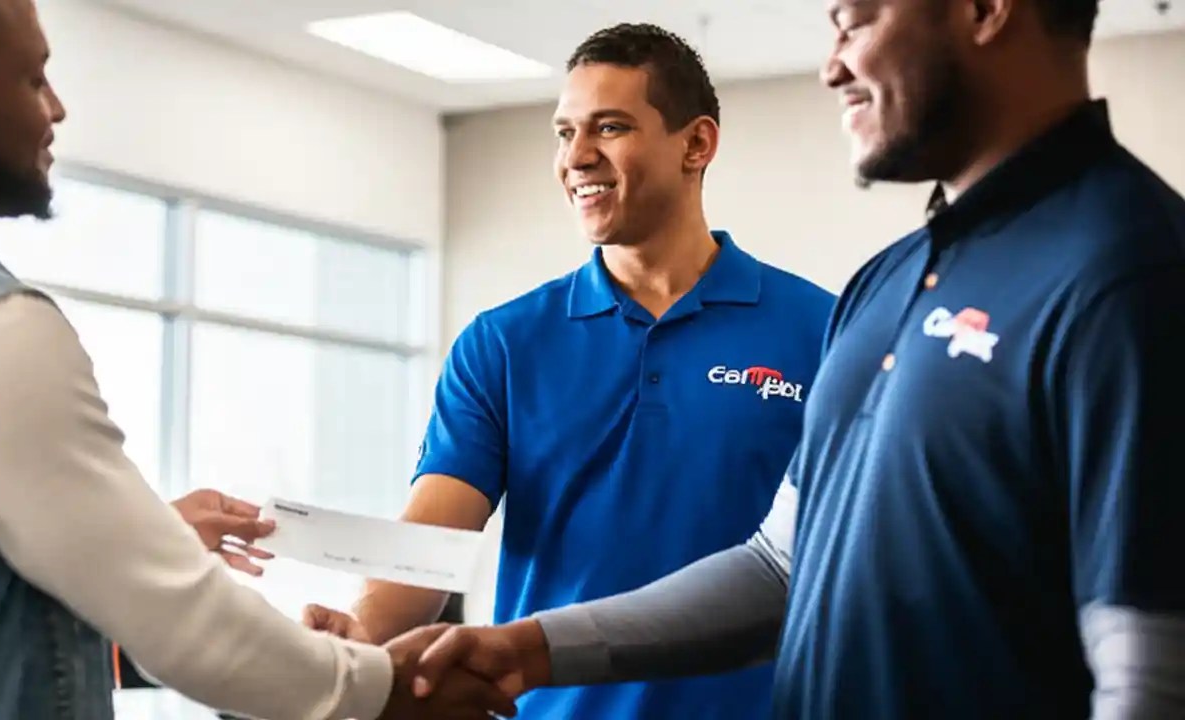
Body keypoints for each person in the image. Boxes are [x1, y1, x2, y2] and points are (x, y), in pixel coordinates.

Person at [398, 0, 1185, 718]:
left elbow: (1149, 673)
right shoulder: (887, 285)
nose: (831, 66)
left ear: (984, 11)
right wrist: (524, 650)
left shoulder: (1130, 269)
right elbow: (780, 566)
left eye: (857, 22)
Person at [0, 1, 517, 718]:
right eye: (33, 80)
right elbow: (183, 622)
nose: (58, 108)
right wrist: (377, 686)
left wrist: (143, 532)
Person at [304, 22, 835, 720]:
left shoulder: (824, 330)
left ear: (696, 144)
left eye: (609, 128)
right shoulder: (503, 343)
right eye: (563, 133)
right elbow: (432, 536)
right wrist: (365, 632)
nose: (576, 157)